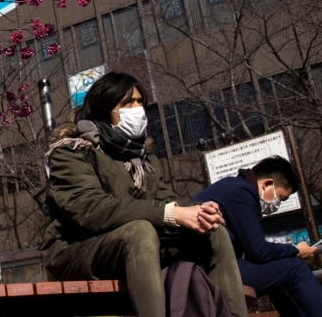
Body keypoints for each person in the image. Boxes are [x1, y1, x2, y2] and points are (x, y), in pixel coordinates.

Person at [41, 71, 249, 317]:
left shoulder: (143, 157)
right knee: (140, 231)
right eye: (127, 103)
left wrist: (198, 212)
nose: (137, 109)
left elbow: (165, 199)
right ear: (103, 108)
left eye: (140, 102)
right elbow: (90, 210)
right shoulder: (73, 151)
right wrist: (172, 214)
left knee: (212, 231)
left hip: (138, 246)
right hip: (77, 250)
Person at [196, 156, 322, 316]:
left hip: (209, 268)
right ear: (267, 184)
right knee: (296, 269)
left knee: (280, 276)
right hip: (212, 273)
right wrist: (296, 250)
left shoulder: (233, 187)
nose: (278, 204)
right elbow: (258, 251)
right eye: (281, 198)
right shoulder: (243, 193)